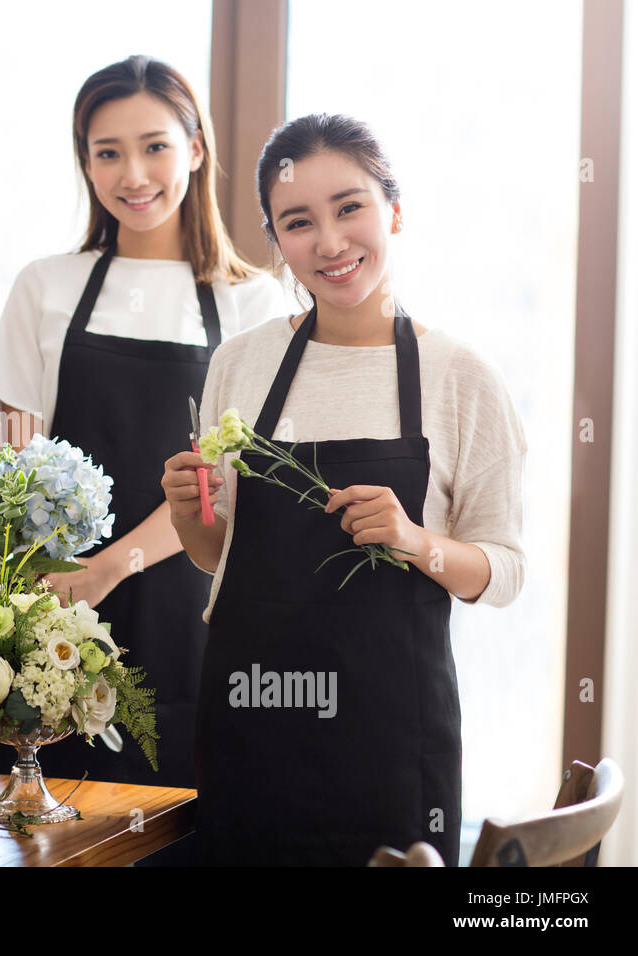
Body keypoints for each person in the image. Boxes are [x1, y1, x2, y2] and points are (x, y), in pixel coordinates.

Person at [163, 113, 527, 865]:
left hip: (390, 752)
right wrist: (185, 511)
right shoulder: (241, 363)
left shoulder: (461, 378)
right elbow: (216, 559)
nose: (328, 243)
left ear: (394, 211)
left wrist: (414, 539)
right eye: (298, 222)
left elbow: (504, 573)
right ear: (277, 242)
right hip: (250, 728)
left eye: (350, 208)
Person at [0, 56, 290, 789]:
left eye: (155, 146)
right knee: (41, 816)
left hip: (195, 601)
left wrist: (112, 565)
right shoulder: (45, 286)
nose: (134, 174)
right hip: (56, 603)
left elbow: (235, 479)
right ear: (84, 164)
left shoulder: (255, 303)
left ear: (196, 148)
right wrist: (57, 581)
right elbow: (11, 465)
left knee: (180, 812)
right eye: (107, 152)